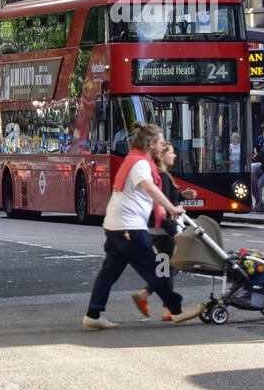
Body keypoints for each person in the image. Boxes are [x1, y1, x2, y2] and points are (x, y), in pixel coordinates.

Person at [84, 125, 205, 329]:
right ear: (151, 144)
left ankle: (93, 314)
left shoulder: (137, 160)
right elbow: (149, 188)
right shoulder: (140, 163)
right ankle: (176, 309)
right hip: (128, 225)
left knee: (110, 271)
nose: (162, 146)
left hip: (117, 223)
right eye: (160, 142)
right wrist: (171, 208)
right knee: (154, 269)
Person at [133, 142, 184, 318]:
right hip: (163, 232)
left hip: (156, 230)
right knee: (171, 266)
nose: (175, 156)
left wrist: (184, 195)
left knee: (167, 267)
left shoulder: (160, 176)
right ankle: (166, 308)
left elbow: (167, 198)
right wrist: (173, 231)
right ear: (162, 156)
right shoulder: (162, 176)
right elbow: (162, 207)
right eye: (171, 152)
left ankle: (147, 295)